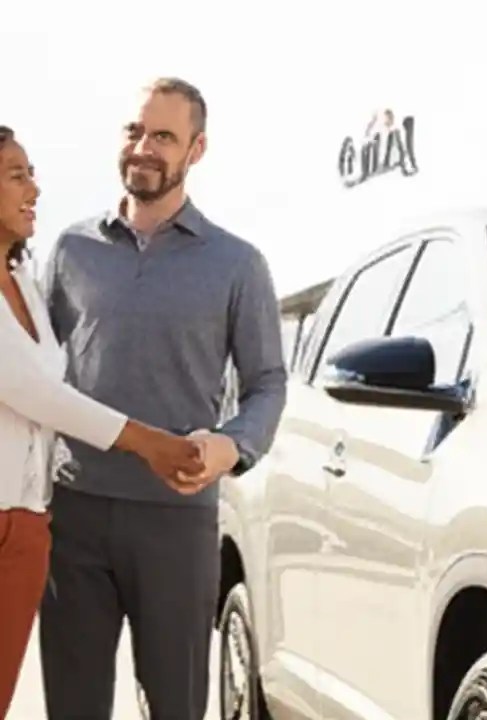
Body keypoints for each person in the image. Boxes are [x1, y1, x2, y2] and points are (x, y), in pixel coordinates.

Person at [39, 78, 288, 720]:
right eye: (135, 131)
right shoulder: (70, 250)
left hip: (176, 520)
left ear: (196, 150)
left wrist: (232, 446)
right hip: (74, 514)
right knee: (72, 707)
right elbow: (34, 374)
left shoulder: (237, 264)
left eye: (164, 137)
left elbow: (267, 382)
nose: (144, 148)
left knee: (176, 706)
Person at [0, 125, 206, 718]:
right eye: (16, 176)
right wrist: (148, 442)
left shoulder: (23, 281)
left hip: (26, 527)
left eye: (32, 173)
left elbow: (54, 382)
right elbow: (36, 391)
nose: (34, 188)